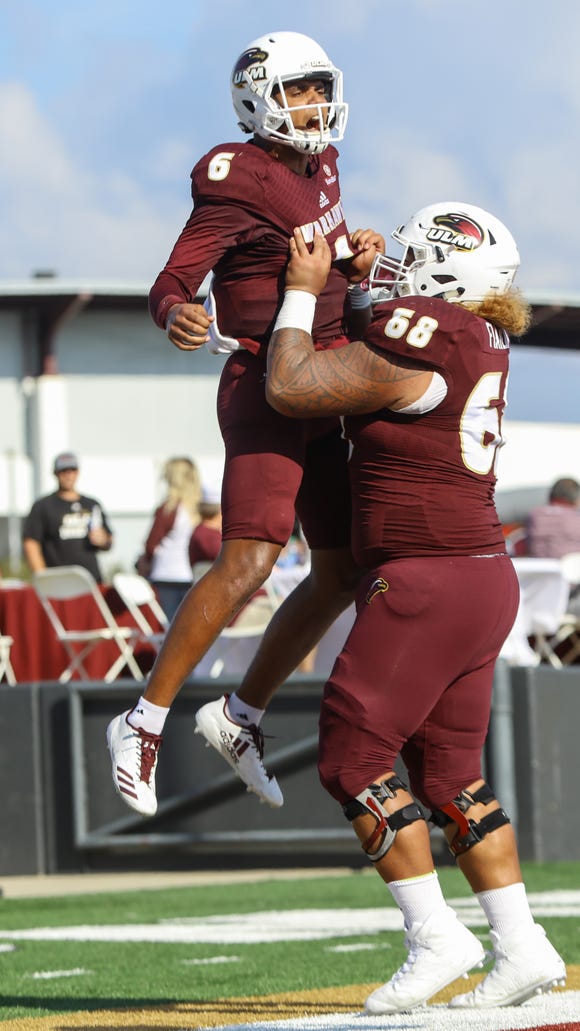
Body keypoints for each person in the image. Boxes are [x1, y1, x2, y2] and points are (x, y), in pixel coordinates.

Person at [264, 203, 566, 1012]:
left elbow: (293, 384)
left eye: (407, 259)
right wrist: (362, 289)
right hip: (482, 574)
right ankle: (524, 945)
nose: (391, 270)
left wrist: (301, 293)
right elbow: (388, 351)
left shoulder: (423, 345)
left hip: (424, 580)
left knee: (351, 760)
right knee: (450, 775)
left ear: (443, 274)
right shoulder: (473, 336)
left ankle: (436, 935)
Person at [106, 30, 383, 816]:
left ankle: (239, 715)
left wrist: (355, 256)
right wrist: (175, 313)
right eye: (297, 91)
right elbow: (170, 278)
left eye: (318, 87)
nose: (313, 104)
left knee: (339, 570)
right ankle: (142, 718)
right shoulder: (236, 174)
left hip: (330, 377)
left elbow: (315, 249)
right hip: (267, 379)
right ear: (259, 100)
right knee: (251, 558)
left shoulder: (321, 160)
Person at [22, 452, 113, 583]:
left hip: (91, 580)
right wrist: (42, 578)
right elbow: (31, 542)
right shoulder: (43, 506)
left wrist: (103, 540)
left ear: (77, 472)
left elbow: (109, 540)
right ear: (55, 473)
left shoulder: (92, 504)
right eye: (64, 471)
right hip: (58, 582)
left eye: (72, 470)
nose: (68, 475)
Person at [136, 457, 201, 621]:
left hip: (166, 575)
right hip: (194, 576)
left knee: (168, 629)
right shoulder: (199, 509)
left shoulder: (168, 509)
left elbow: (151, 545)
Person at [526, 477, 580, 559]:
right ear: (576, 499)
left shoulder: (534, 515)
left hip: (539, 567)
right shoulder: (576, 517)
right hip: (571, 568)